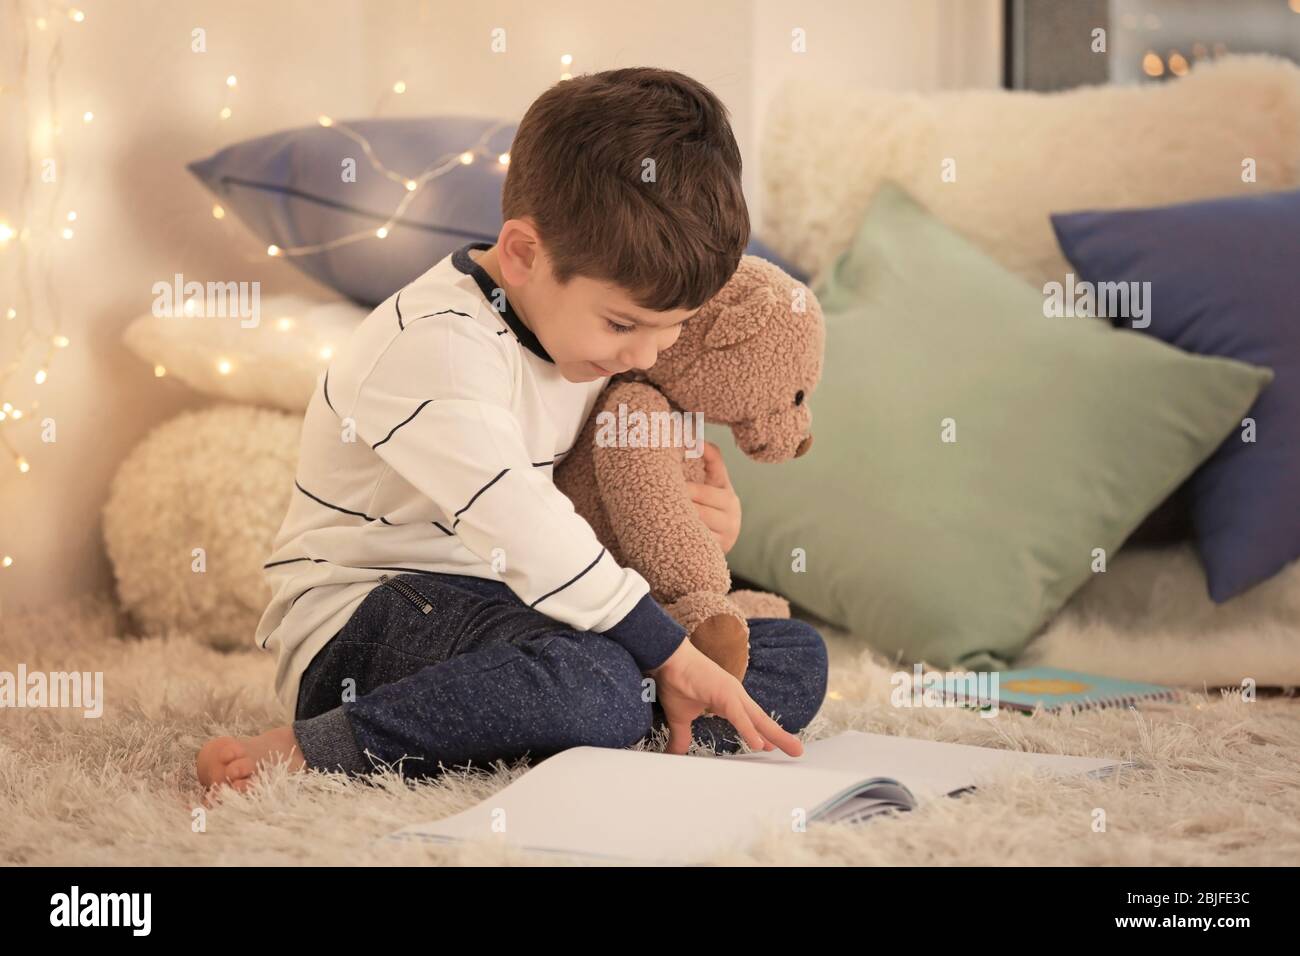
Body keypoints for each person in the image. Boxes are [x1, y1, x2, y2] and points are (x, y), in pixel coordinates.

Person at [197, 67, 828, 796]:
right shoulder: (436, 343)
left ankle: (599, 721)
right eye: (623, 324)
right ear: (525, 254)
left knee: (793, 655)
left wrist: (700, 526)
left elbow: (600, 500)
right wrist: (667, 654)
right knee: (599, 679)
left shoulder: (582, 335)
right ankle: (321, 746)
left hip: (523, 610)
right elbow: (523, 524)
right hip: (373, 619)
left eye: (673, 328)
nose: (646, 357)